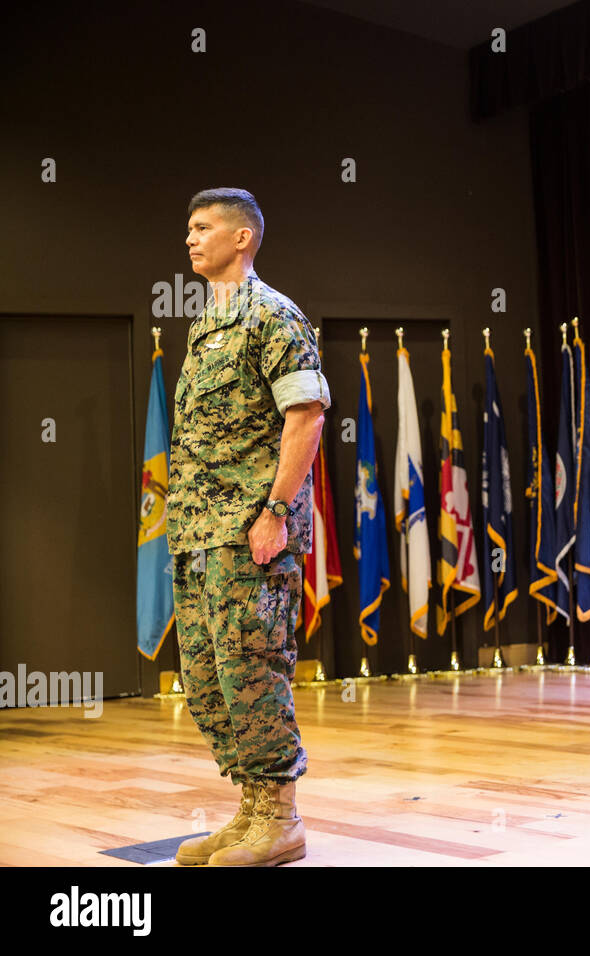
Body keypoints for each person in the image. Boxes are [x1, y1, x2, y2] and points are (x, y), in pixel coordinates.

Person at [169, 187, 330, 865]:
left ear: (242, 239)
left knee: (252, 672)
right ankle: (252, 809)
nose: (189, 238)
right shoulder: (205, 325)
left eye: (203, 227)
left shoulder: (272, 315)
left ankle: (282, 819)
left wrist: (274, 514)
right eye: (188, 227)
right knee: (207, 679)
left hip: (251, 539)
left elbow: (308, 417)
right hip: (200, 537)